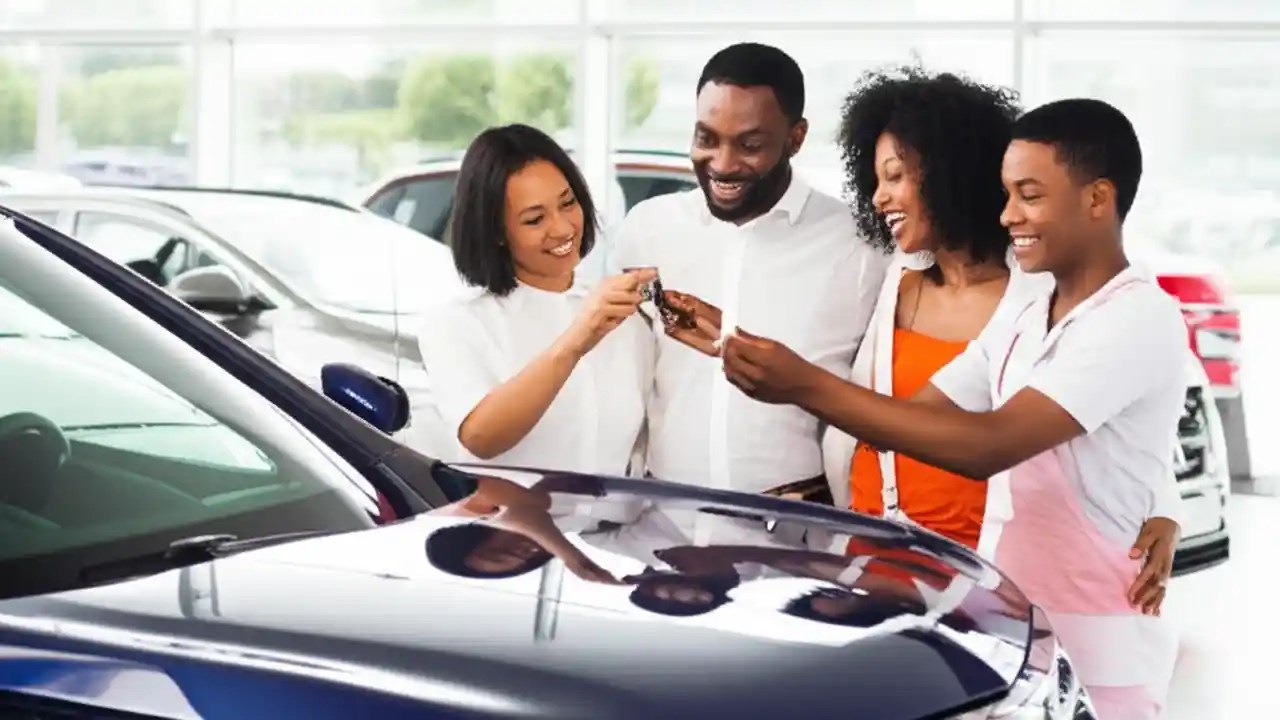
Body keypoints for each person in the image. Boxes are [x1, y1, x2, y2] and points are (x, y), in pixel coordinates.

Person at [718, 98, 1183, 718]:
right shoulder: (1028, 312)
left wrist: (802, 383)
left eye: (1028, 195)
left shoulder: (1134, 316)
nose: (1007, 214)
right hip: (1015, 639)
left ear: (1098, 199)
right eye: (1006, 194)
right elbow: (919, 416)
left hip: (1101, 658)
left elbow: (987, 445)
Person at [821, 65, 1182, 576]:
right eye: (876, 180)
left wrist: (1165, 508)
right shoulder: (886, 276)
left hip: (989, 566)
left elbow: (1118, 417)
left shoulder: (1043, 290)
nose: (880, 197)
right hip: (875, 548)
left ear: (951, 173)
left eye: (896, 177)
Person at [607, 42, 890, 502]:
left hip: (796, 534)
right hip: (661, 527)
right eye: (706, 138)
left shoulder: (860, 244)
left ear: (795, 138)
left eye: (750, 145)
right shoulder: (648, 228)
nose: (722, 163)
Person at [418, 123, 656, 477]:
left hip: (618, 531)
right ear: (496, 231)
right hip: (510, 531)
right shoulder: (458, 324)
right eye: (535, 219)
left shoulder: (625, 317)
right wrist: (577, 340)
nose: (562, 228)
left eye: (568, 203)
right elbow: (481, 437)